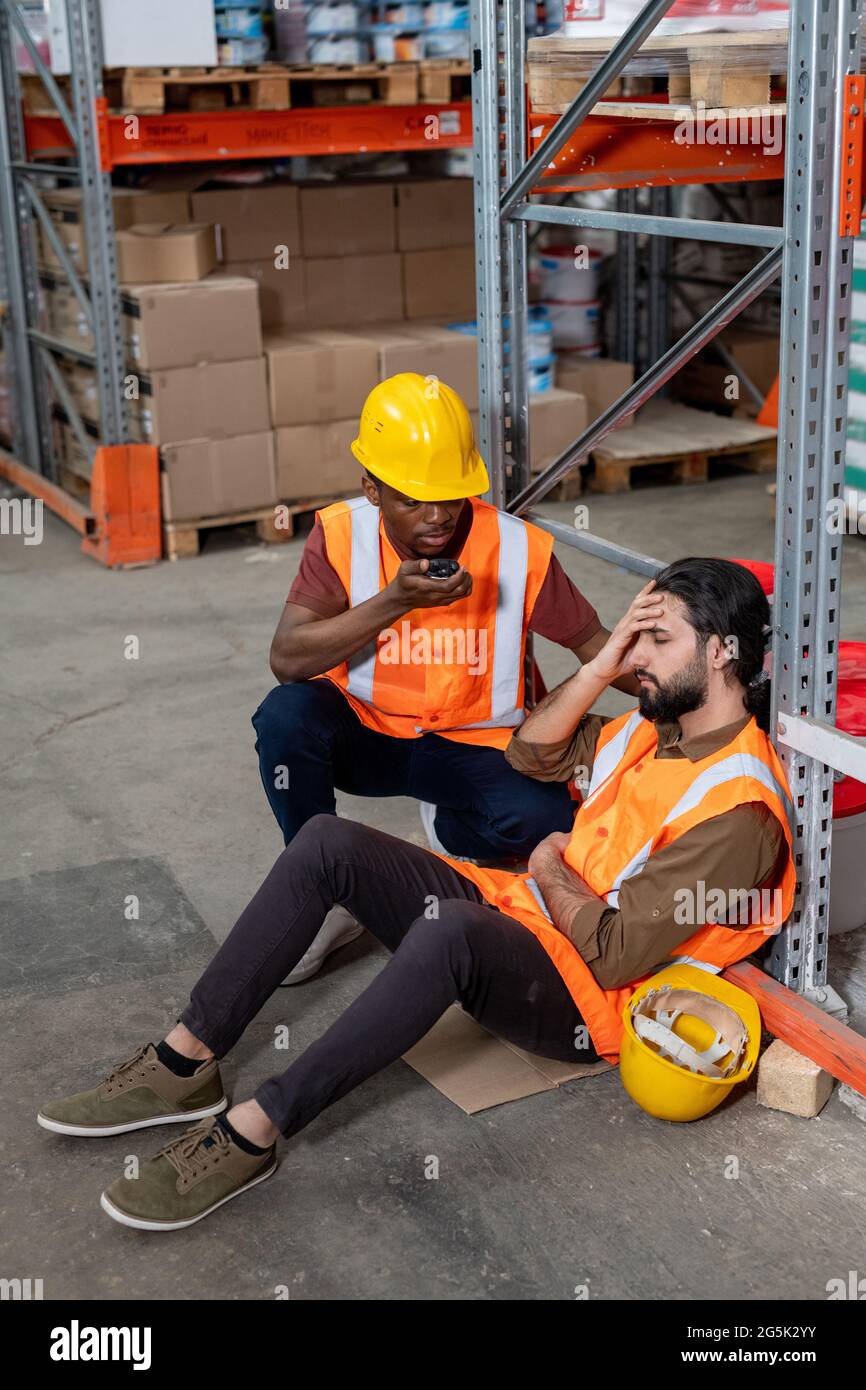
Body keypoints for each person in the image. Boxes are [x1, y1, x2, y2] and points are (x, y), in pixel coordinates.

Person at [38, 558, 794, 1232]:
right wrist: (602, 666)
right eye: (635, 639)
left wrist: (551, 867)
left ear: (723, 650)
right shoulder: (650, 727)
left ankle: (253, 1130)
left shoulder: (740, 812)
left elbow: (613, 953)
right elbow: (533, 754)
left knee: (450, 932)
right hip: (528, 911)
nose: (635, 659)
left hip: (588, 1001)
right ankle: (185, 1061)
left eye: (656, 642)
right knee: (327, 844)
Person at [254, 372, 630, 983]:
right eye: (412, 499)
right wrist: (394, 602)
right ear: (372, 488)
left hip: (473, 746)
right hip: (368, 738)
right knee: (286, 717)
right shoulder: (341, 534)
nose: (437, 516)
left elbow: (599, 649)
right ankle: (325, 896)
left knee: (548, 825)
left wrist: (697, 692)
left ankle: (450, 827)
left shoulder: (515, 548)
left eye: (450, 496)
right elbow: (287, 658)